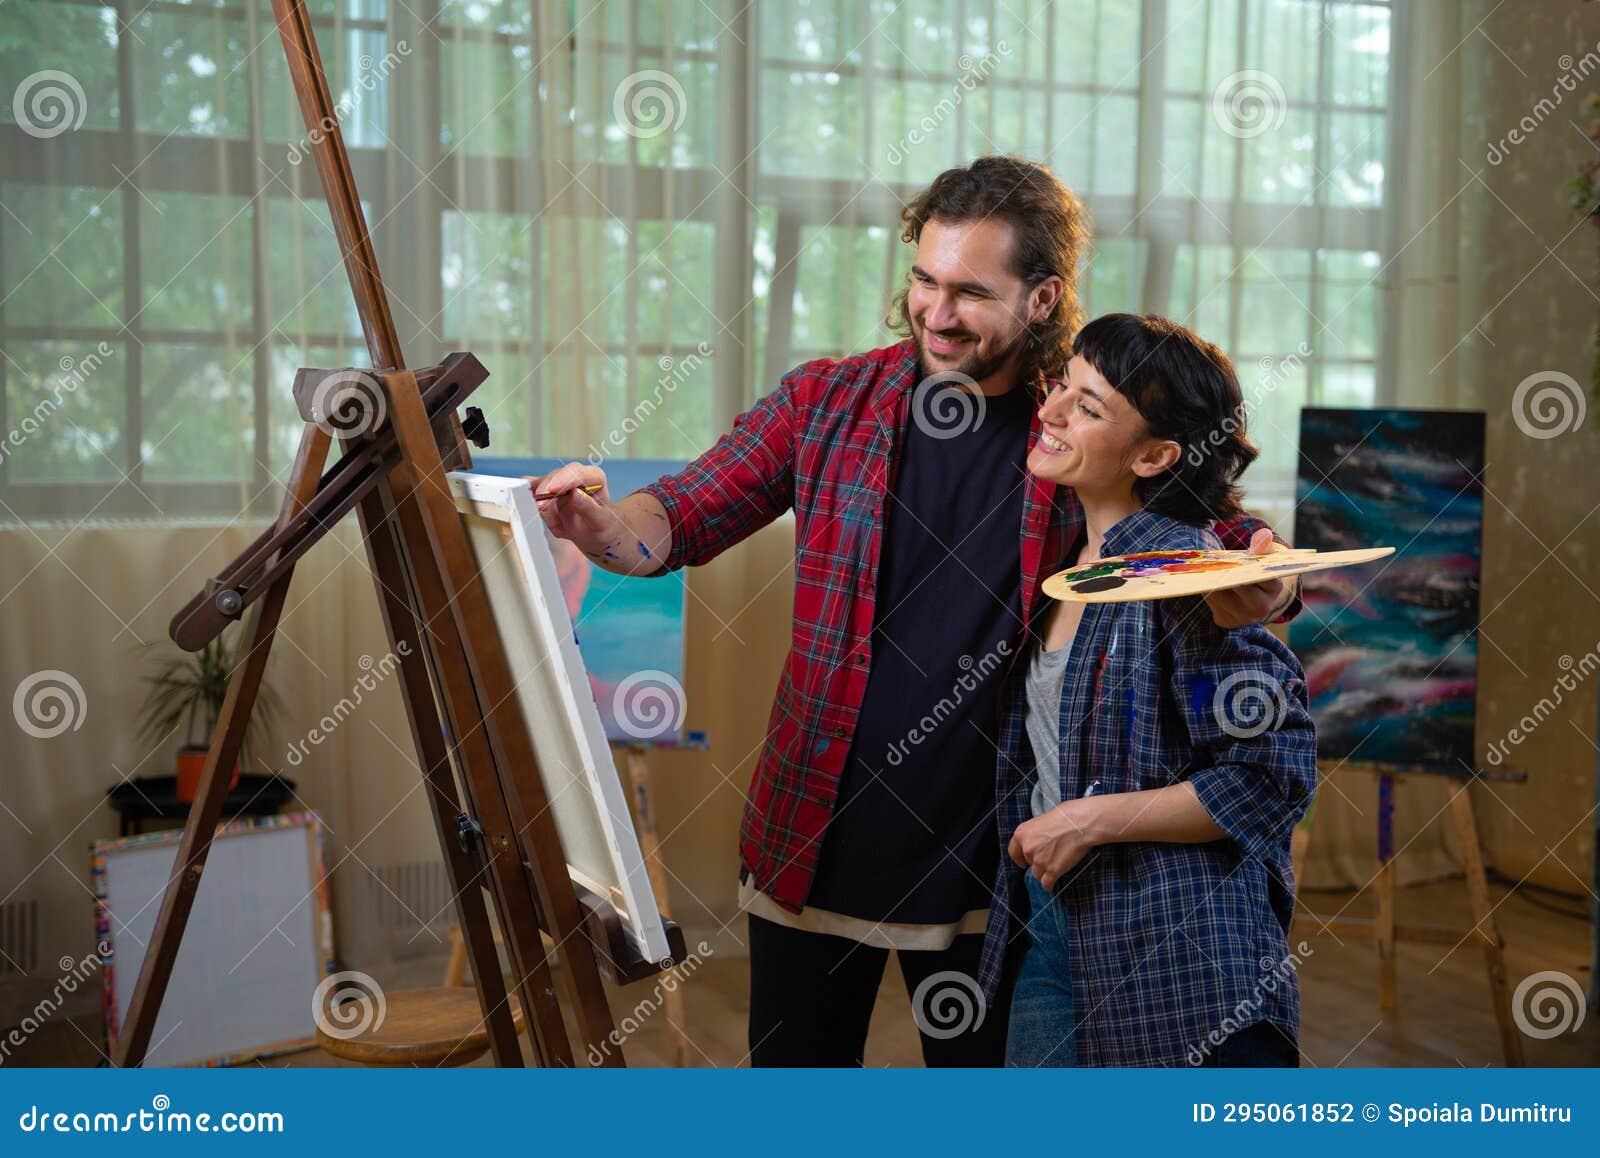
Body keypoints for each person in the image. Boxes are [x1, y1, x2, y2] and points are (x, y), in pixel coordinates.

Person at [532, 156, 1302, 1067]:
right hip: (812, 840)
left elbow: (1216, 530)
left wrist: (1276, 584)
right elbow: (681, 514)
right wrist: (600, 526)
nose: (935, 314)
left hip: (992, 864)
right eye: (923, 281)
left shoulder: (1074, 428)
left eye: (970, 292)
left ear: (1044, 297)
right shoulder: (826, 401)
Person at [984, 313, 1317, 1068]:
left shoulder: (1192, 578)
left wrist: (1092, 821)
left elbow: (1272, 776)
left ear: (1157, 454)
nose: (1052, 411)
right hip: (1052, 934)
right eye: (1063, 385)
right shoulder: (1067, 559)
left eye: (1089, 407)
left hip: (1180, 952)